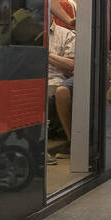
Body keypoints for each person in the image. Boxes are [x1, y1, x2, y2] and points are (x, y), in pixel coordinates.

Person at [45, 19, 76, 164]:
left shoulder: (66, 34)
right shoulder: (27, 34)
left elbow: (71, 65)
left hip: (53, 80)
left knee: (48, 95)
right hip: (29, 78)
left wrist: (47, 54)